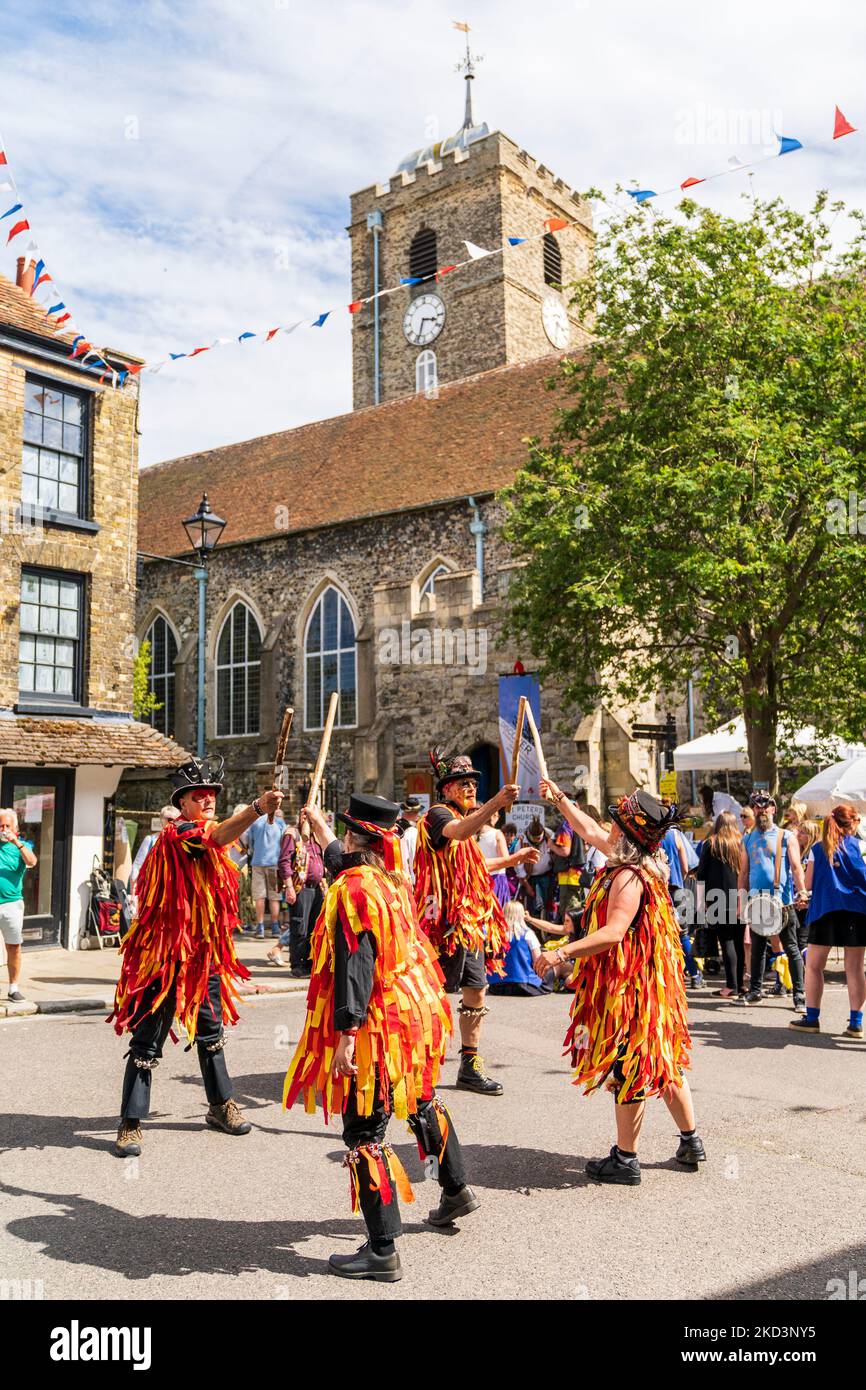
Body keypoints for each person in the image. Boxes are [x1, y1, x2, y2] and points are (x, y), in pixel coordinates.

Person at [284, 793, 477, 1283]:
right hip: (414, 1014)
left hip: (377, 1023)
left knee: (364, 1131)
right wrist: (319, 824)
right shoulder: (389, 880)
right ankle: (454, 1188)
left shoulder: (352, 892)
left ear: (356, 837)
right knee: (420, 1100)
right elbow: (338, 859)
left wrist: (347, 1033)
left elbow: (356, 966)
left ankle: (382, 1248)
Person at [109, 757, 283, 1157]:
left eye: (211, 796)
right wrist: (256, 808)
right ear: (183, 803)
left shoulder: (209, 831)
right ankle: (130, 1122)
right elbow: (216, 838)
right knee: (147, 1040)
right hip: (166, 957)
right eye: (199, 796)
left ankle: (221, 1106)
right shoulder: (179, 834)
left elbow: (224, 840)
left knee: (211, 1032)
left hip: (204, 955)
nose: (207, 800)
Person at [534, 781, 704, 1186]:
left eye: (615, 824)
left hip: (632, 988)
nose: (606, 828)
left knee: (630, 1062)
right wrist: (558, 798)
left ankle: (626, 1159)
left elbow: (613, 932)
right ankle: (691, 1141)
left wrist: (561, 953)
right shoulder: (637, 860)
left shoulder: (627, 876)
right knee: (661, 1060)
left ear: (626, 835)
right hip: (648, 983)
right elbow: (588, 829)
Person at [413, 748, 538, 1096]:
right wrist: (497, 801)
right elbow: (462, 832)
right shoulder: (439, 816)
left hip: (468, 925)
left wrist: (515, 857)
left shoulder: (462, 819)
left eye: (473, 783)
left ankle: (469, 1064)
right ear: (446, 789)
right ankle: (415, 1065)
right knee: (433, 994)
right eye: (463, 784)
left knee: (476, 988)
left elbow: (476, 867)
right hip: (442, 925)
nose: (470, 788)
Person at [790, 803, 866, 1039]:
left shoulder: (817, 848)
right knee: (854, 968)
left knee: (813, 966)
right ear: (851, 823)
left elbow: (809, 883)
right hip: (857, 910)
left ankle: (812, 1018)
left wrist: (802, 895)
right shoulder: (862, 846)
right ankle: (856, 1022)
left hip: (825, 910)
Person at [739, 791, 808, 1011]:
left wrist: (803, 891)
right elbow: (743, 873)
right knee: (758, 949)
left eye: (766, 806)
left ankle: (799, 995)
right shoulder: (747, 838)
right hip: (756, 902)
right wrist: (741, 900)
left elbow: (797, 867)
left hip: (783, 901)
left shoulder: (786, 836)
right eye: (757, 807)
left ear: (773, 809)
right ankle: (755, 991)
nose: (761, 810)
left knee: (791, 947)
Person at [696, 812, 744, 998]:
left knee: (727, 942)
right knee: (738, 941)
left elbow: (701, 875)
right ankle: (740, 985)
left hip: (717, 899)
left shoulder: (712, 843)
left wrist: (701, 904)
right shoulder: (742, 842)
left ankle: (731, 986)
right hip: (741, 896)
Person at [0, 808, 38, 1003]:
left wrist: (16, 842)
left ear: (15, 828)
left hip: (11, 904)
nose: (3, 829)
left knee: (13, 946)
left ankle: (13, 988)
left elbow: (32, 861)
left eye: (7, 826)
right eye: (1, 826)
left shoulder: (22, 846)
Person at [661, 822, 703, 990]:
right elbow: (685, 867)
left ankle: (666, 975)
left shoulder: (646, 834)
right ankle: (694, 975)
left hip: (655, 890)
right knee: (682, 933)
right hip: (677, 889)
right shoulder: (674, 834)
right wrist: (679, 878)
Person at [243, 804, 287, 939]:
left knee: (259, 896)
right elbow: (284, 842)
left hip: (258, 862)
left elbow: (249, 842)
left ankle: (260, 926)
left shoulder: (255, 823)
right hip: (274, 863)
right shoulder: (280, 823)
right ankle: (275, 926)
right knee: (274, 896)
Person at [487, 899, 547, 996]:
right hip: (524, 983)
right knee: (551, 973)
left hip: (497, 984)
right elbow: (538, 961)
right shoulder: (528, 933)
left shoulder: (495, 934)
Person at [129, 806, 179, 904]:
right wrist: (133, 892)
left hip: (174, 892)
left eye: (176, 820)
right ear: (162, 821)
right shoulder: (151, 840)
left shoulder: (180, 842)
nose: (172, 822)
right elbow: (137, 866)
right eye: (169, 819)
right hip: (152, 893)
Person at [550, 804, 587, 923]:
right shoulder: (580, 825)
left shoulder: (566, 827)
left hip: (568, 876)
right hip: (578, 874)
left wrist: (551, 846)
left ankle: (571, 937)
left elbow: (565, 851)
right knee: (576, 906)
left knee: (569, 910)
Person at [477, 809, 515, 910]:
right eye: (497, 816)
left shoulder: (471, 835)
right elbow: (506, 860)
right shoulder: (497, 833)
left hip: (479, 879)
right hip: (496, 879)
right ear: (493, 816)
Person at [522, 817, 554, 918]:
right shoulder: (522, 841)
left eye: (538, 838)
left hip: (547, 876)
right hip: (530, 878)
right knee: (532, 907)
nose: (536, 840)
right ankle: (534, 926)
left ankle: (546, 928)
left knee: (547, 904)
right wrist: (526, 885)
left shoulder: (549, 835)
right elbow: (518, 865)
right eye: (534, 838)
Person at [396, 796, 423, 888]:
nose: (419, 815)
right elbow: (413, 857)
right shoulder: (411, 831)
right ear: (413, 813)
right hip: (408, 878)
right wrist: (414, 879)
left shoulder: (395, 826)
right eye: (417, 812)